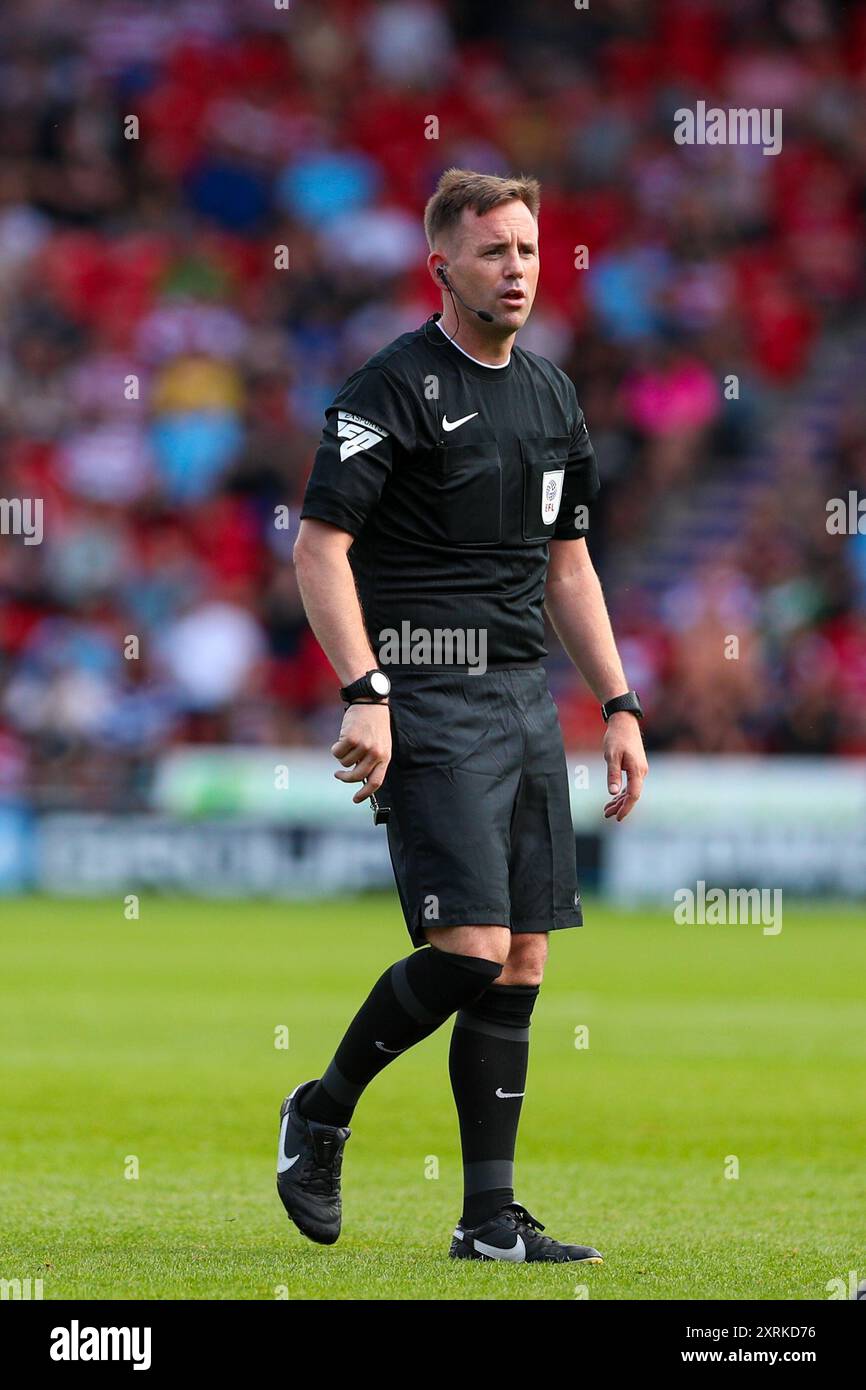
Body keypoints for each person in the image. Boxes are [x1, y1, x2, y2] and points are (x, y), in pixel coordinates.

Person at [279, 168, 648, 1263]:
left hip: (521, 698)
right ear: (440, 266)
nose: (517, 270)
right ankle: (323, 1107)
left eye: (528, 250)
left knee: (523, 959)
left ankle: (487, 1219)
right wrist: (365, 691)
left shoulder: (551, 395)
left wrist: (618, 703)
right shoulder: (387, 389)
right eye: (494, 252)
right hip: (424, 694)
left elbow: (568, 569)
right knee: (471, 948)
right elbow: (318, 548)